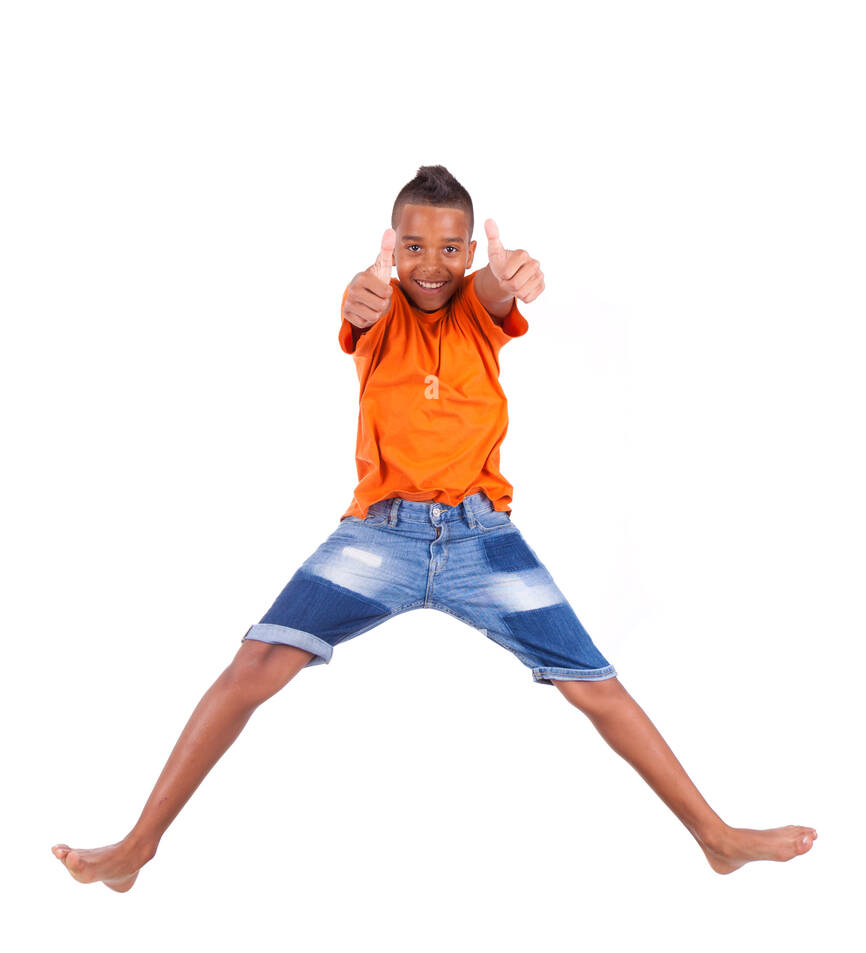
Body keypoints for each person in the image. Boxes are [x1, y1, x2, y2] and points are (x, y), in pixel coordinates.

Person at [51, 164, 817, 891]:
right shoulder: (376, 317)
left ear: (469, 250)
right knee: (250, 671)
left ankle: (715, 838)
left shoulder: (480, 316)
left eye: (450, 249)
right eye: (413, 246)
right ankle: (138, 845)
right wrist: (364, 289)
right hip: (379, 537)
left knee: (597, 688)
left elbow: (489, 291)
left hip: (482, 540)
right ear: (394, 245)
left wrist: (506, 275)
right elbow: (362, 302)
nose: (430, 264)